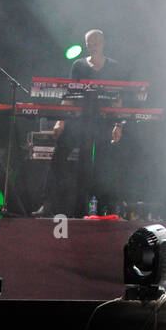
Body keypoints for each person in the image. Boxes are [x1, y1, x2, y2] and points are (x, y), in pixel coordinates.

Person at [42, 29, 125, 217]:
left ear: (103, 43)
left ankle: (106, 208)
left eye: (95, 41)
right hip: (78, 121)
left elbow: (118, 99)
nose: (91, 45)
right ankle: (48, 203)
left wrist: (118, 125)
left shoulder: (114, 67)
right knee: (59, 157)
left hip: (103, 123)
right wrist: (60, 122)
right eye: (88, 42)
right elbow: (69, 94)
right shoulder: (78, 65)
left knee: (103, 165)